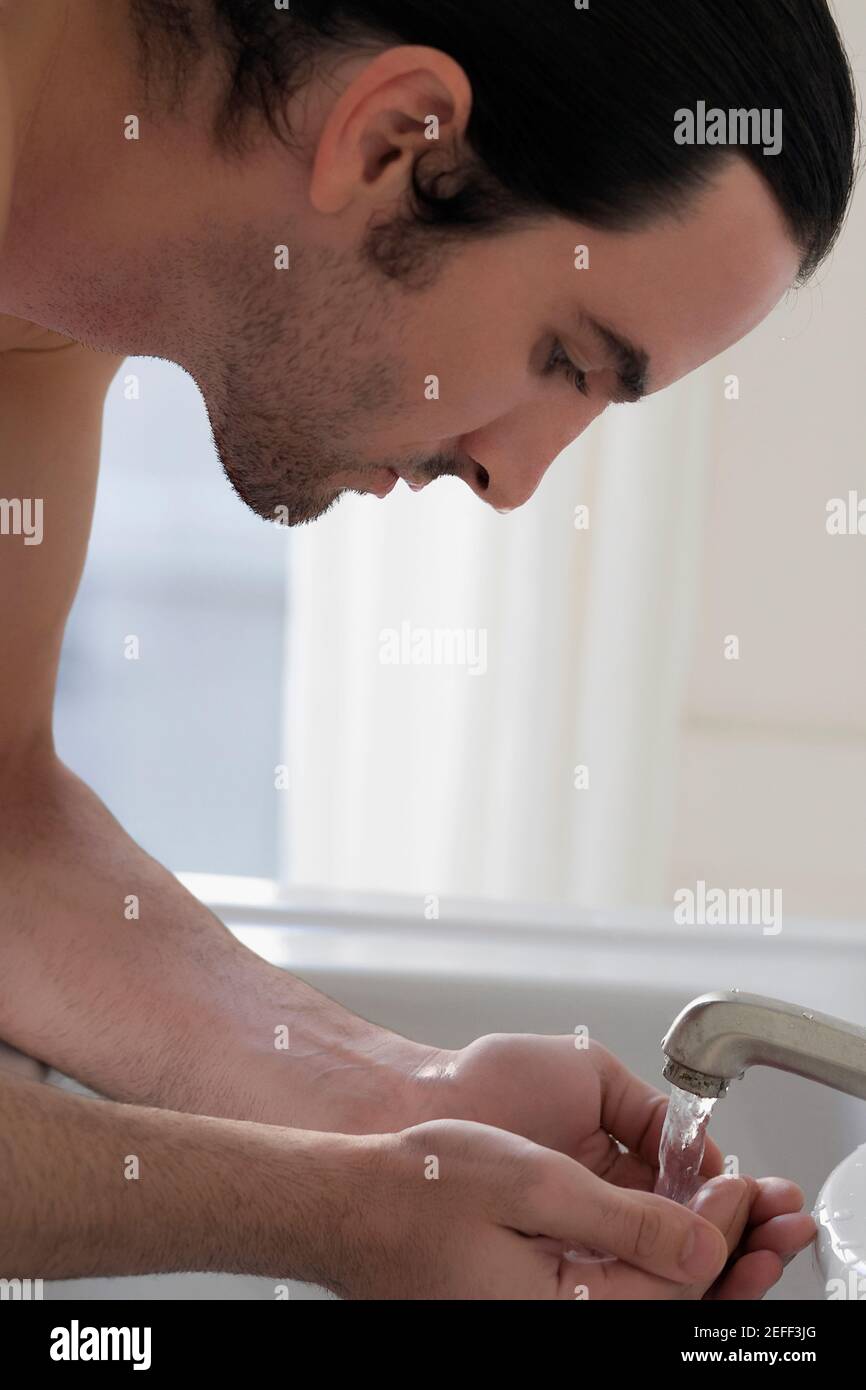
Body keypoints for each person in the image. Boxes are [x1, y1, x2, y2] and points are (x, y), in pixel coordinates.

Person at [0, 0, 855, 1299]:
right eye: (562, 358)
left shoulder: (45, 288)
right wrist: (327, 1212)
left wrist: (388, 1096)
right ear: (400, 139)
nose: (513, 479)